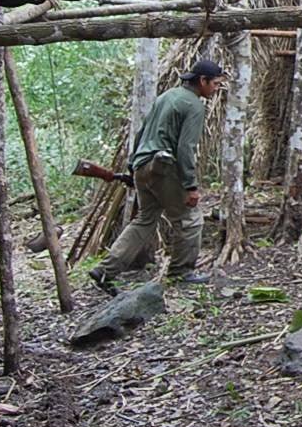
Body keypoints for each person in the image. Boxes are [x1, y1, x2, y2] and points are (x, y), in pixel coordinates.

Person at [89, 59, 224, 295]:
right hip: (163, 166)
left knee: (145, 219)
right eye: (215, 84)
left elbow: (142, 132)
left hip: (142, 164)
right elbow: (185, 148)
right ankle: (181, 273)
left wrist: (133, 166)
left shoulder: (166, 97)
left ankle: (105, 269)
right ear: (202, 81)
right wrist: (190, 185)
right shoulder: (194, 105)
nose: (216, 89)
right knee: (190, 220)